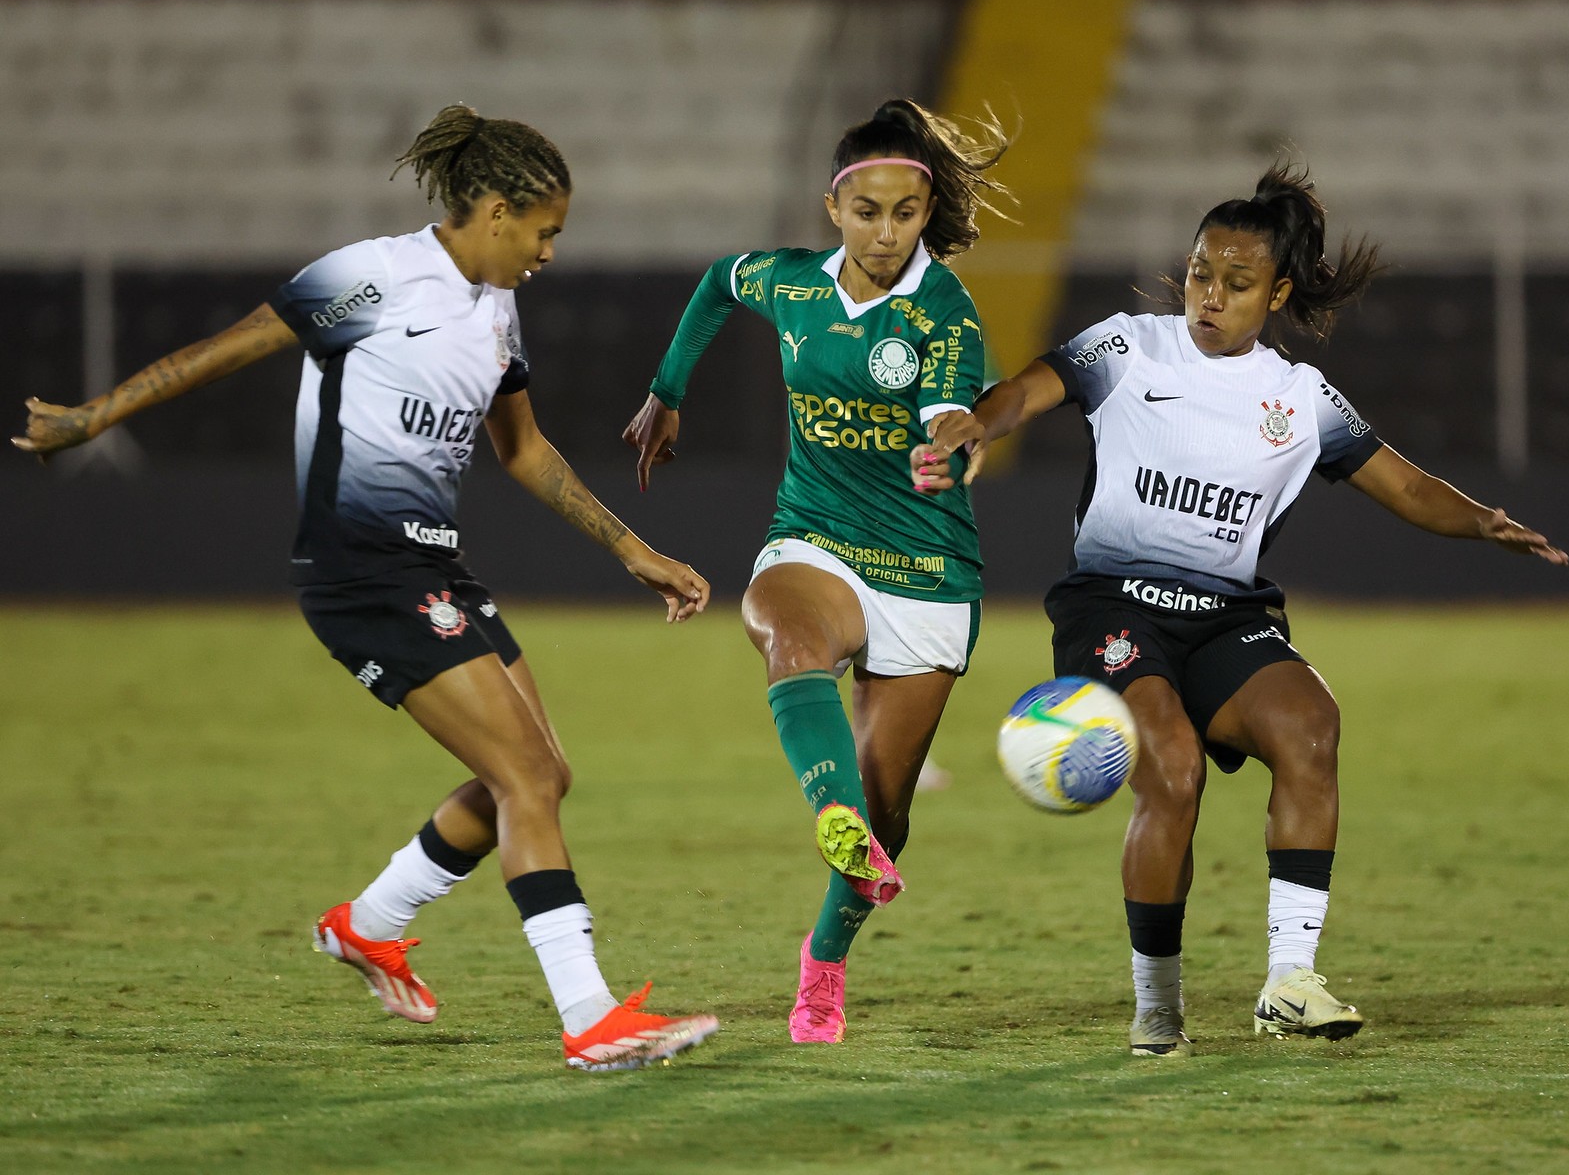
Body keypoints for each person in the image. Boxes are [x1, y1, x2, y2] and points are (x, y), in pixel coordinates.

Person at [13, 105, 722, 1072]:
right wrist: (94, 417)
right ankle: (590, 1016)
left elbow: (522, 450)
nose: (553, 251)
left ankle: (368, 923)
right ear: (499, 210)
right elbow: (229, 347)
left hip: (433, 564)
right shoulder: (373, 276)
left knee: (540, 776)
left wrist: (630, 550)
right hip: (360, 566)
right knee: (523, 780)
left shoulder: (499, 305)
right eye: (546, 231)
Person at [914, 161, 1567, 1057]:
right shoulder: (1131, 347)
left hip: (1226, 616)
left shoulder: (1299, 399)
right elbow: (1031, 386)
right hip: (1115, 607)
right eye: (1199, 274)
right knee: (1172, 771)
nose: (1209, 296)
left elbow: (1404, 484)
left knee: (1311, 725)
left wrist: (1482, 522)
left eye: (1236, 282)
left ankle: (1289, 982)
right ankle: (1157, 1008)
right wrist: (977, 424)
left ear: (1278, 291)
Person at [623, 99, 1010, 1043]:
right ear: (834, 207)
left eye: (905, 214)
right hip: (818, 536)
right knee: (784, 630)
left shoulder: (943, 309)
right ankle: (834, 816)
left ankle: (824, 962)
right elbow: (720, 281)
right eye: (867, 210)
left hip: (926, 563)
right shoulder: (790, 284)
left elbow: (951, 411)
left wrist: (954, 442)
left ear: (926, 215)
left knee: (892, 811)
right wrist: (667, 392)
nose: (886, 232)